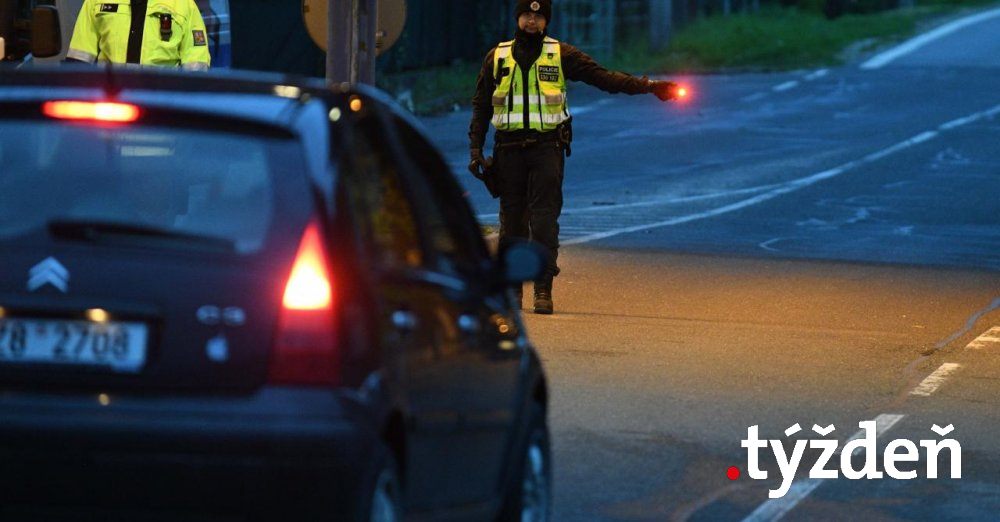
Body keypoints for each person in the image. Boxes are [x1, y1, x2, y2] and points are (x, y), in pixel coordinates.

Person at [469, 0, 681, 314]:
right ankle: (513, 292)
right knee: (512, 224)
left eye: (538, 16)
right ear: (518, 18)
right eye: (527, 15)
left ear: (546, 21)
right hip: (508, 151)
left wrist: (648, 86)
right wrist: (476, 148)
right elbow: (481, 105)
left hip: (547, 149)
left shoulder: (560, 54)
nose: (532, 20)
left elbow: (604, 78)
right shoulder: (497, 57)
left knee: (544, 222)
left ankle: (543, 289)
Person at [66, 0, 210, 70]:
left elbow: (196, 70)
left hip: (160, 107)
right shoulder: (96, 1)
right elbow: (78, 61)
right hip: (110, 105)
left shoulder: (183, 5)